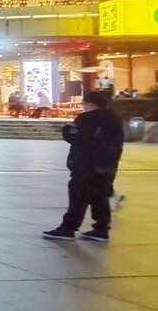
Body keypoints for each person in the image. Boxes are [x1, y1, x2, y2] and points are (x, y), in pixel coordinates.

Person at [44, 90, 124, 242]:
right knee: (99, 196)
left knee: (78, 196)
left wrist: (67, 130)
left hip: (86, 165)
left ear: (90, 104)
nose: (83, 107)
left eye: (84, 104)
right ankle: (101, 229)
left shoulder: (89, 118)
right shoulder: (114, 118)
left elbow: (78, 137)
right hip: (107, 165)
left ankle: (68, 228)